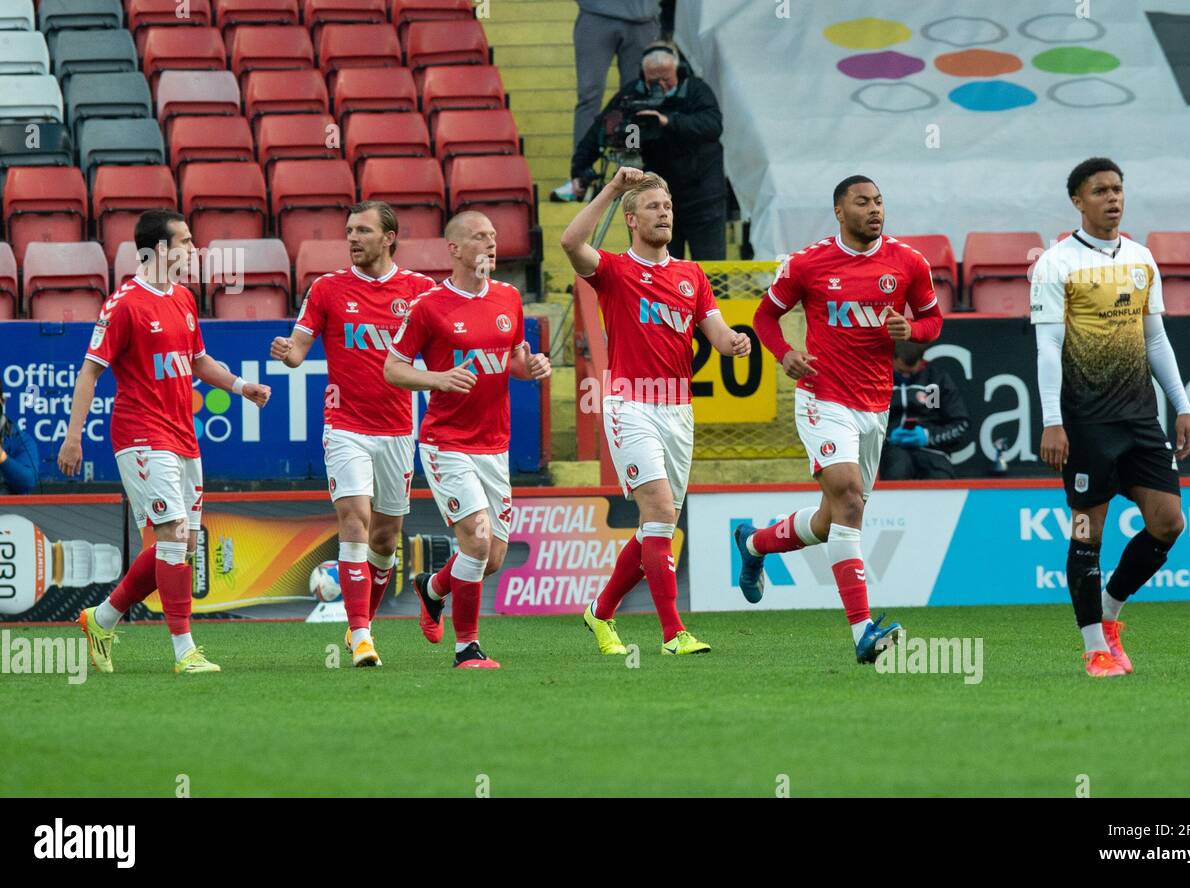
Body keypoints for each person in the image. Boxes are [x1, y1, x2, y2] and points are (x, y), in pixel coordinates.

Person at [737, 176, 943, 663]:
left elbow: (934, 322)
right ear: (839, 210)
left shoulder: (909, 263)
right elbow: (764, 318)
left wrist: (911, 328)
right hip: (822, 397)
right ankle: (863, 633)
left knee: (835, 519)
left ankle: (754, 544)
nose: (875, 209)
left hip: (875, 405)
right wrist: (785, 354)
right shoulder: (807, 264)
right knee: (849, 497)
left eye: (879, 201)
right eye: (863, 202)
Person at [62, 210, 272, 674]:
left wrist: (241, 387)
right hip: (140, 435)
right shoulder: (124, 304)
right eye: (187, 241)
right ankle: (184, 652)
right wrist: (73, 436)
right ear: (160, 249)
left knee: (177, 545)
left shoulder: (182, 298)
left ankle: (101, 619)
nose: (195, 250)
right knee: (174, 539)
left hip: (183, 435)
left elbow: (198, 361)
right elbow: (90, 371)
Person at [561, 168, 750, 656]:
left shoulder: (692, 276)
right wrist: (613, 188)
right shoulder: (614, 270)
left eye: (667, 206)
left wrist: (735, 343)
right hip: (629, 403)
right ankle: (673, 634)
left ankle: (600, 613)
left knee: (654, 526)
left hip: (678, 411)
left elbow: (717, 332)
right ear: (631, 219)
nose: (664, 213)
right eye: (653, 207)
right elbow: (569, 241)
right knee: (662, 512)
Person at [1031, 157, 1190, 678]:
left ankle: (1109, 613)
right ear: (1078, 201)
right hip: (1086, 425)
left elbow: (1155, 339)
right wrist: (1052, 420)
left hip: (1140, 420)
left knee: (1168, 522)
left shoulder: (1143, 258)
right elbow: (1048, 345)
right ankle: (1093, 649)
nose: (1112, 198)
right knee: (1087, 533)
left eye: (1118, 189)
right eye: (1100, 191)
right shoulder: (1056, 263)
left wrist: (1182, 404)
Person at [270, 201, 436, 668]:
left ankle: (361, 623)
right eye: (348, 231)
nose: (353, 238)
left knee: (386, 540)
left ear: (389, 237)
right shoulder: (327, 289)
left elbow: (448, 345)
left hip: (399, 430)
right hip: (345, 426)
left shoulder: (420, 291)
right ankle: (362, 635)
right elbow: (299, 352)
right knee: (355, 519)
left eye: (363, 230)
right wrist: (287, 352)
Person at [384, 211, 551, 669]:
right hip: (446, 443)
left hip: (494, 446)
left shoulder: (509, 298)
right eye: (479, 237)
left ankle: (432, 588)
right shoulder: (429, 306)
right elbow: (392, 368)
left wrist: (531, 367)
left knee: (492, 556)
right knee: (476, 541)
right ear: (454, 249)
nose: (491, 245)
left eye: (494, 237)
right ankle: (468, 649)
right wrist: (438, 378)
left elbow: (516, 358)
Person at [567, 42, 726, 260]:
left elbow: (713, 125)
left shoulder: (696, 90)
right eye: (654, 81)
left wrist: (667, 121)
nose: (661, 85)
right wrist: (579, 168)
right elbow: (600, 130)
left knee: (710, 268)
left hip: (703, 195)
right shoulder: (632, 96)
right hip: (658, 199)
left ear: (677, 71)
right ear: (644, 74)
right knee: (662, 267)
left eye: (667, 79)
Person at [552, 0, 662, 202]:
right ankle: (580, 178)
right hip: (596, 15)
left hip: (644, 19)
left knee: (637, 103)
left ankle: (630, 175)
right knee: (589, 96)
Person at [879, 340, 970, 480]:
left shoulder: (936, 380)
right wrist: (888, 437)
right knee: (897, 469)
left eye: (911, 372)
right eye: (900, 371)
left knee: (940, 479)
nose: (905, 377)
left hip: (933, 450)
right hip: (893, 450)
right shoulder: (879, 381)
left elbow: (960, 424)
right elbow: (865, 423)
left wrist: (928, 436)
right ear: (891, 359)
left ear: (921, 361)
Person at [0, 370, 39, 495]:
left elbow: (28, 483)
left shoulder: (19, 439)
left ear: (3, 402)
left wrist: (1, 457)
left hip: (6, 511)